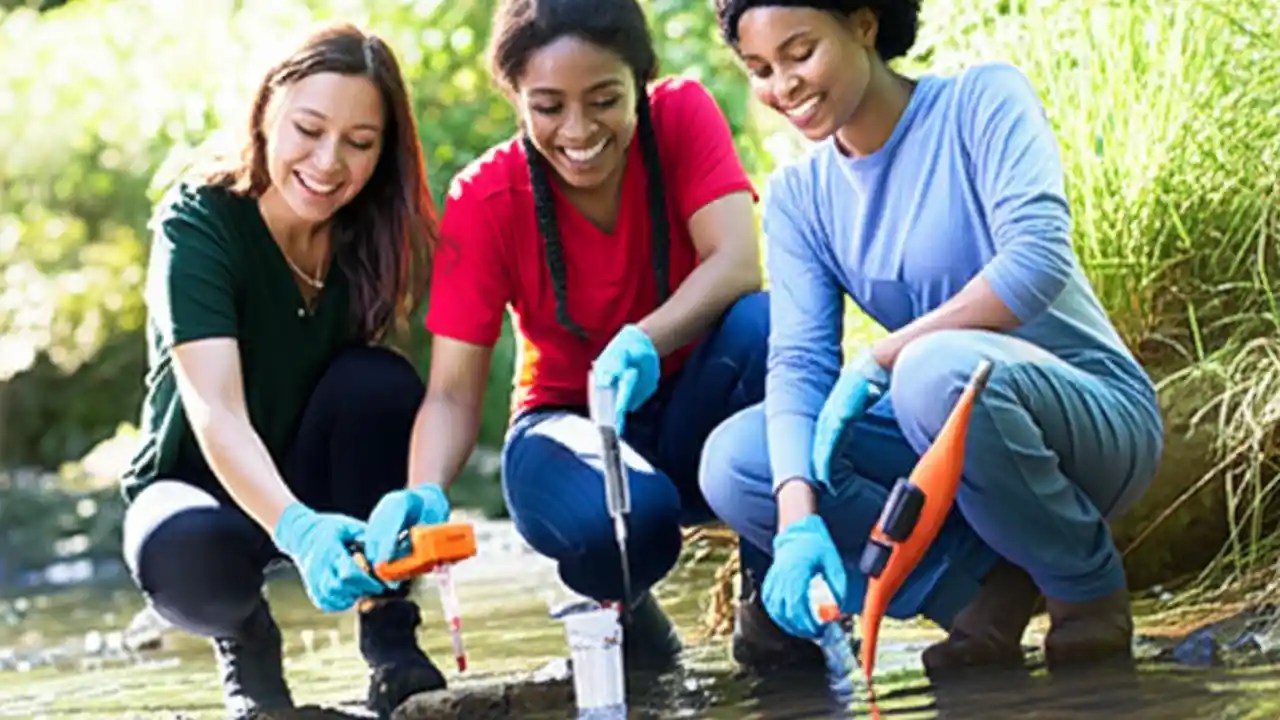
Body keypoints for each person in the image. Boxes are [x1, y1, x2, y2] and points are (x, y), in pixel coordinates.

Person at [701, 0, 1165, 675]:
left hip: (1086, 422)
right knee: (740, 459)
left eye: (800, 53)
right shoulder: (801, 195)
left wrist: (883, 355)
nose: (784, 85)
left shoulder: (981, 101)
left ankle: (1083, 590)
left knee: (930, 371)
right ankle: (979, 594)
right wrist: (797, 520)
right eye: (761, 68)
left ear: (864, 25)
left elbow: (1036, 261)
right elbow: (798, 363)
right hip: (941, 427)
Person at [354, 0, 813, 672]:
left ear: (640, 82)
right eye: (548, 106)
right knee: (630, 525)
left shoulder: (682, 116)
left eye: (603, 100)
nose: (578, 129)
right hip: (564, 426)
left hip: (698, 404)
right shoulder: (484, 198)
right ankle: (625, 610)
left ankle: (771, 607)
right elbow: (452, 393)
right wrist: (425, 489)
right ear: (514, 96)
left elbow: (737, 263)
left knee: (766, 326)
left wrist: (643, 341)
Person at [119, 24, 448, 719]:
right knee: (180, 556)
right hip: (203, 485)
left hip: (319, 464)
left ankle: (390, 641)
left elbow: (409, 406)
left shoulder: (375, 231)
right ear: (267, 109)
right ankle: (248, 648)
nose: (329, 163)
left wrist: (421, 496)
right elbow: (215, 411)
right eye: (309, 129)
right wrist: (297, 530)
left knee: (380, 385)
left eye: (360, 143)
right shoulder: (199, 221)